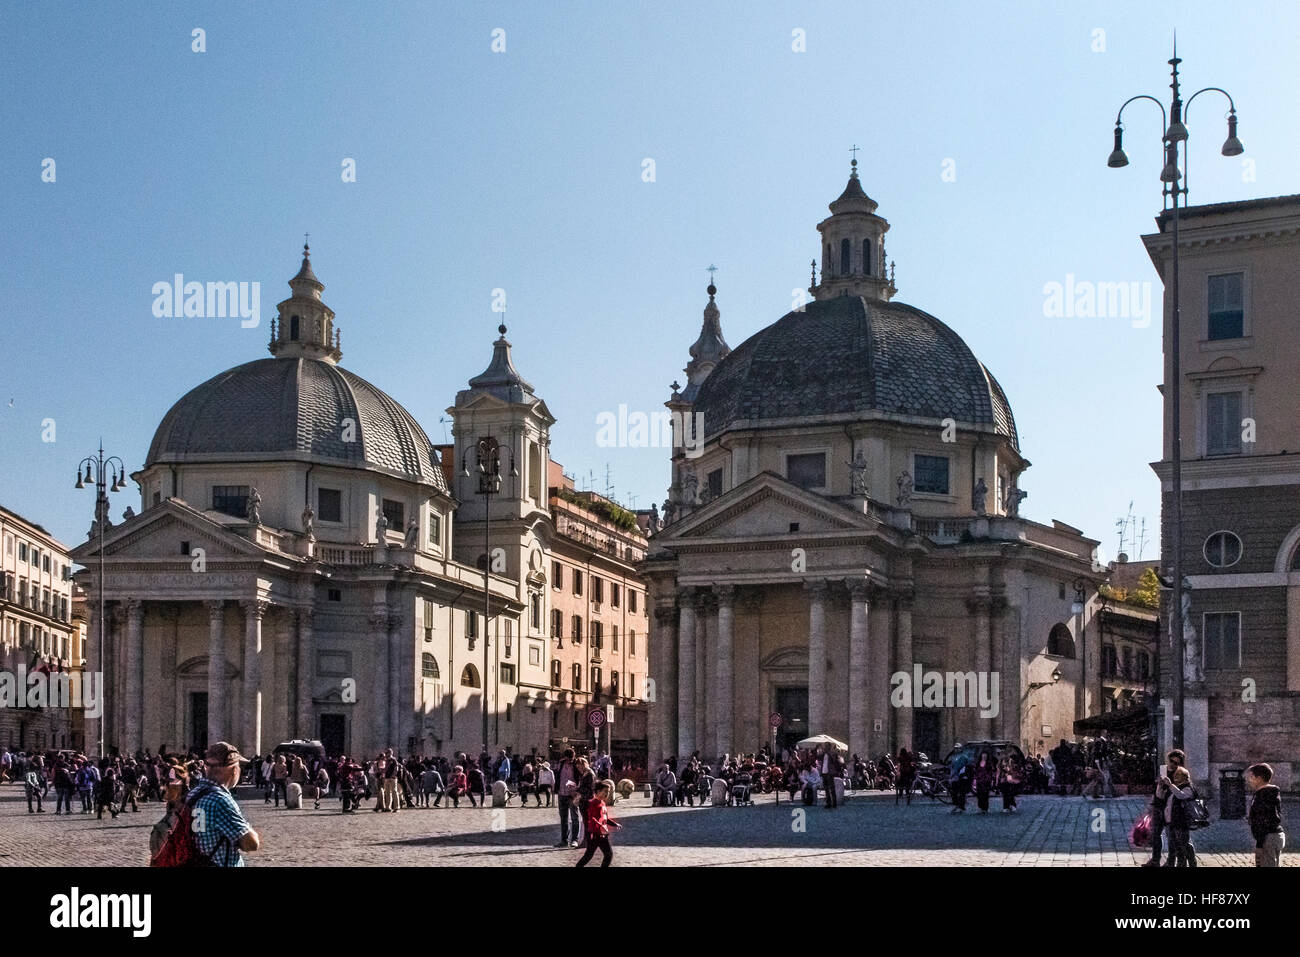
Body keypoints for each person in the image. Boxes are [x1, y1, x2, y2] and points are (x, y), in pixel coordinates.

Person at [186, 742, 261, 866]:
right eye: (239, 766)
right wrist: (249, 828)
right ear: (233, 769)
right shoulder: (220, 800)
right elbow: (251, 843)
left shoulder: (193, 793)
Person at [575, 780, 622, 867]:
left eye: (608, 792)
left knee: (607, 855)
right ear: (598, 792)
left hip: (602, 834)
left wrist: (615, 824)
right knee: (590, 855)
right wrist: (600, 826)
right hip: (594, 835)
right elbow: (591, 818)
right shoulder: (592, 803)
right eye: (605, 791)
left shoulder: (602, 803)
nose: (607, 794)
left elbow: (605, 819)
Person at [1247, 763, 1285, 867]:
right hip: (1276, 835)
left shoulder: (1262, 795)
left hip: (1268, 839)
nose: (1249, 780)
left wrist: (1259, 844)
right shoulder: (1271, 792)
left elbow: (1263, 820)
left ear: (1259, 778)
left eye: (1251, 776)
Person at [1163, 750, 1196, 867]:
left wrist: (1170, 784)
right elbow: (1164, 798)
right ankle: (1178, 862)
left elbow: (1181, 795)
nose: (1175, 778)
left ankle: (1189, 863)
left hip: (1181, 821)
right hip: (1171, 820)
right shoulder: (1175, 786)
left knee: (1182, 845)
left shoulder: (1187, 787)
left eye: (1178, 776)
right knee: (1176, 844)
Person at [555, 748, 580, 847]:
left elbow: (579, 778)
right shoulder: (561, 764)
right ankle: (564, 840)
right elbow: (558, 776)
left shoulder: (576, 764)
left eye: (571, 758)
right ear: (565, 757)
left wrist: (576, 790)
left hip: (572, 794)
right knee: (563, 818)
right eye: (568, 758)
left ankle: (574, 840)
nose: (570, 760)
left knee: (575, 818)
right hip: (562, 793)